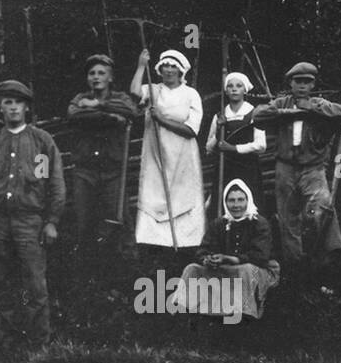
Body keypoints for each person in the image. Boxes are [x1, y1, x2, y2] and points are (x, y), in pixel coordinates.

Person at [0, 80, 66, 350]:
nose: (13, 108)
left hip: (30, 223)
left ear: (26, 107)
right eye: (7, 102)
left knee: (35, 284)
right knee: (1, 282)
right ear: (0, 107)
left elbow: (54, 184)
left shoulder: (41, 142)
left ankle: (39, 345)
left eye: (18, 103)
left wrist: (51, 222)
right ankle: (6, 341)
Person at [253, 62, 341, 269]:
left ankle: (333, 255)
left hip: (313, 169)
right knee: (288, 216)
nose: (302, 86)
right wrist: (286, 113)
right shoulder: (282, 103)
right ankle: (295, 263)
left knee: (322, 206)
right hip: (285, 167)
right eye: (298, 81)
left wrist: (311, 108)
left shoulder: (319, 103)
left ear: (312, 85)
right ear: (291, 83)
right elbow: (257, 116)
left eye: (307, 82)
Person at [129, 49, 205, 254]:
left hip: (182, 154)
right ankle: (154, 246)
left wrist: (161, 120)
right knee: (154, 193)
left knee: (183, 196)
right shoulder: (153, 90)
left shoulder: (191, 94)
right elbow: (135, 93)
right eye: (165, 66)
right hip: (155, 153)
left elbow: (191, 130)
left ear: (181, 71)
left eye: (173, 66)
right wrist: (140, 66)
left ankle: (185, 245)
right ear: (159, 69)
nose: (169, 70)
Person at [173, 179, 279, 323]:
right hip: (226, 269)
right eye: (231, 200)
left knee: (246, 271)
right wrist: (208, 260)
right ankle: (189, 315)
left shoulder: (259, 223)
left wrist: (228, 259)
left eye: (240, 200)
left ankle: (242, 319)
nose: (236, 205)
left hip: (259, 270)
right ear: (225, 202)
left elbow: (260, 257)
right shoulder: (219, 223)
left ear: (248, 200)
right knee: (191, 269)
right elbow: (203, 250)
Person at [66, 54, 138, 261]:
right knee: (85, 222)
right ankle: (89, 276)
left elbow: (131, 110)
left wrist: (97, 105)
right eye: (92, 73)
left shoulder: (120, 98)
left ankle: (126, 272)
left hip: (113, 172)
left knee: (120, 219)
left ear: (110, 78)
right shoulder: (79, 99)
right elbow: (73, 114)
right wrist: (110, 118)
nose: (96, 77)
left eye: (101, 73)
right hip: (85, 171)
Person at [204, 71, 267, 213]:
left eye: (238, 86)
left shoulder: (254, 113)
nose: (234, 89)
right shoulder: (219, 115)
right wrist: (219, 129)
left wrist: (233, 148)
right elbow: (209, 148)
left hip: (248, 167)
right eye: (230, 86)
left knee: (250, 203)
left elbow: (261, 145)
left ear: (245, 89)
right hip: (225, 167)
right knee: (222, 205)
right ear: (226, 90)